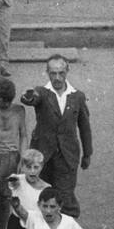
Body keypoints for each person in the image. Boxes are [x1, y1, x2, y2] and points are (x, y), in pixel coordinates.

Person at [21, 56, 93, 218]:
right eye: (53, 73)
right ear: (47, 73)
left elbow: (85, 127)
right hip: (43, 157)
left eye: (61, 73)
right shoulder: (42, 92)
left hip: (67, 157)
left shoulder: (77, 96)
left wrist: (87, 154)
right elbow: (31, 99)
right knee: (41, 196)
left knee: (65, 198)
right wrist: (28, 96)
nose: (57, 78)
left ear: (67, 71)